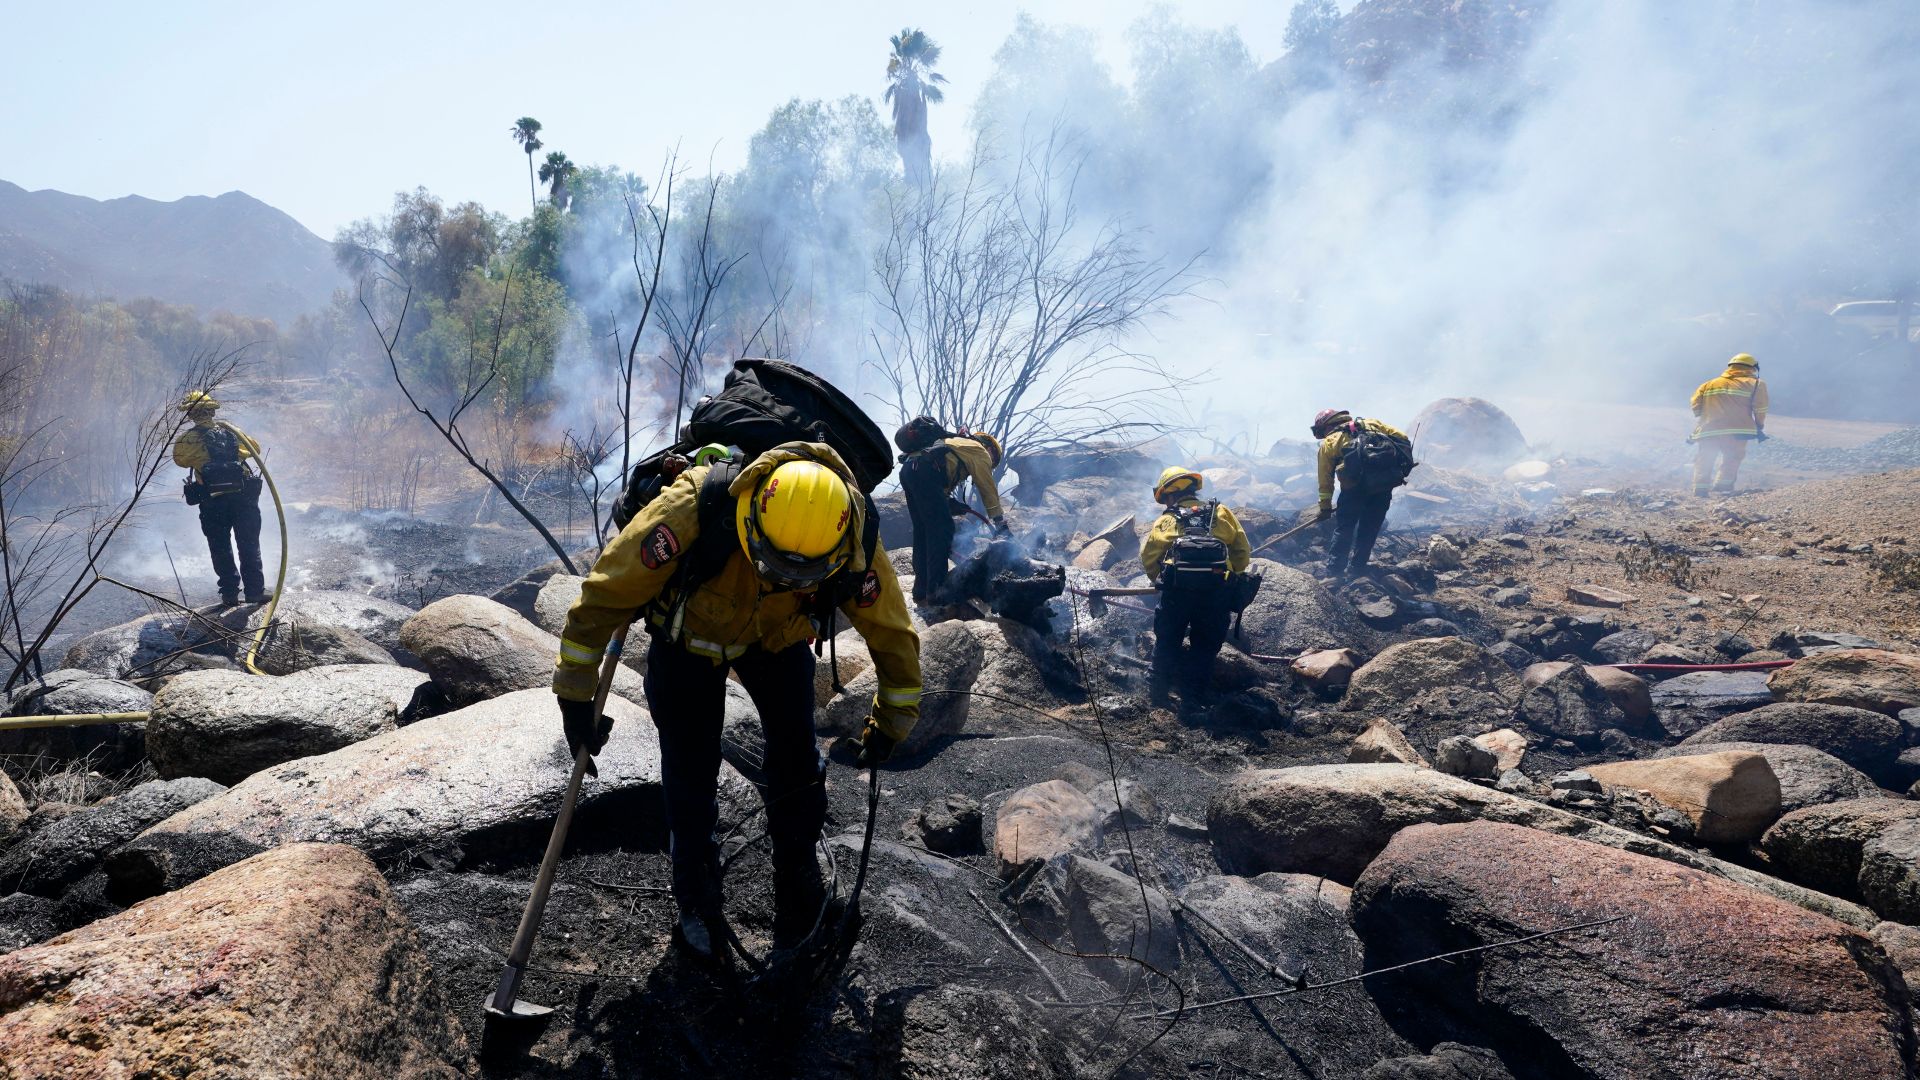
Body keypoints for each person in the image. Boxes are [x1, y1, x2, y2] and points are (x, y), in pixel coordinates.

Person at [552, 442, 922, 960]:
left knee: (797, 761)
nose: (782, 579)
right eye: (773, 565)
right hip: (686, 644)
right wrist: (575, 693)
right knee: (690, 771)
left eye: (802, 576)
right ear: (751, 520)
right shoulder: (693, 508)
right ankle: (696, 901)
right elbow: (602, 597)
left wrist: (894, 719)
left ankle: (798, 881)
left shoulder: (853, 531)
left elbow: (891, 633)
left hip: (778, 640)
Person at [1139, 467, 1250, 706]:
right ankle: (1194, 697)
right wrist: (1231, 575)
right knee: (1206, 644)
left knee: (1167, 640)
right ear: (1192, 489)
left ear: (1169, 495)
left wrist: (1160, 581)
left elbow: (1149, 556)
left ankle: (1157, 694)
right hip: (1216, 592)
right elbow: (1242, 552)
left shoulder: (1166, 520)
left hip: (1176, 592)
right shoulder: (1221, 512)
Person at [171, 391, 268, 607]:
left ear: (190, 415)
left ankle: (230, 594)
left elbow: (180, 460)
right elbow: (255, 449)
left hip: (212, 502)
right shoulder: (232, 433)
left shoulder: (187, 440)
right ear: (213, 411)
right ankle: (255, 592)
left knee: (220, 547)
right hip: (243, 499)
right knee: (249, 544)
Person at [897, 423, 1010, 604]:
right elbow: (987, 487)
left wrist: (949, 503)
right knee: (943, 530)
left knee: (922, 531)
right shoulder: (978, 450)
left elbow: (940, 480)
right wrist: (1000, 523)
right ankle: (936, 590)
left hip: (909, 470)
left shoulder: (952, 442)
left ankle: (921, 589)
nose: (990, 463)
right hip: (924, 472)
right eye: (993, 460)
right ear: (989, 448)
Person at [1312, 409, 1414, 579]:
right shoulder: (1372, 424)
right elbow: (1402, 438)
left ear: (1326, 426)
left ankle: (1335, 573)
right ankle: (1357, 570)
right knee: (1369, 528)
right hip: (1382, 487)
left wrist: (1325, 508)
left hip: (1353, 490)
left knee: (1345, 529)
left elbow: (1325, 480)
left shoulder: (1330, 442)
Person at [1689, 353, 1768, 496]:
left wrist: (1707, 416)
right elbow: (1760, 407)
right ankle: (1722, 488)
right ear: (1753, 368)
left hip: (1708, 428)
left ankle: (1700, 489)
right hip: (1737, 430)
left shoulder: (1709, 384)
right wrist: (1759, 424)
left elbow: (1695, 404)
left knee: (1705, 457)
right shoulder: (1756, 384)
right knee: (1732, 457)